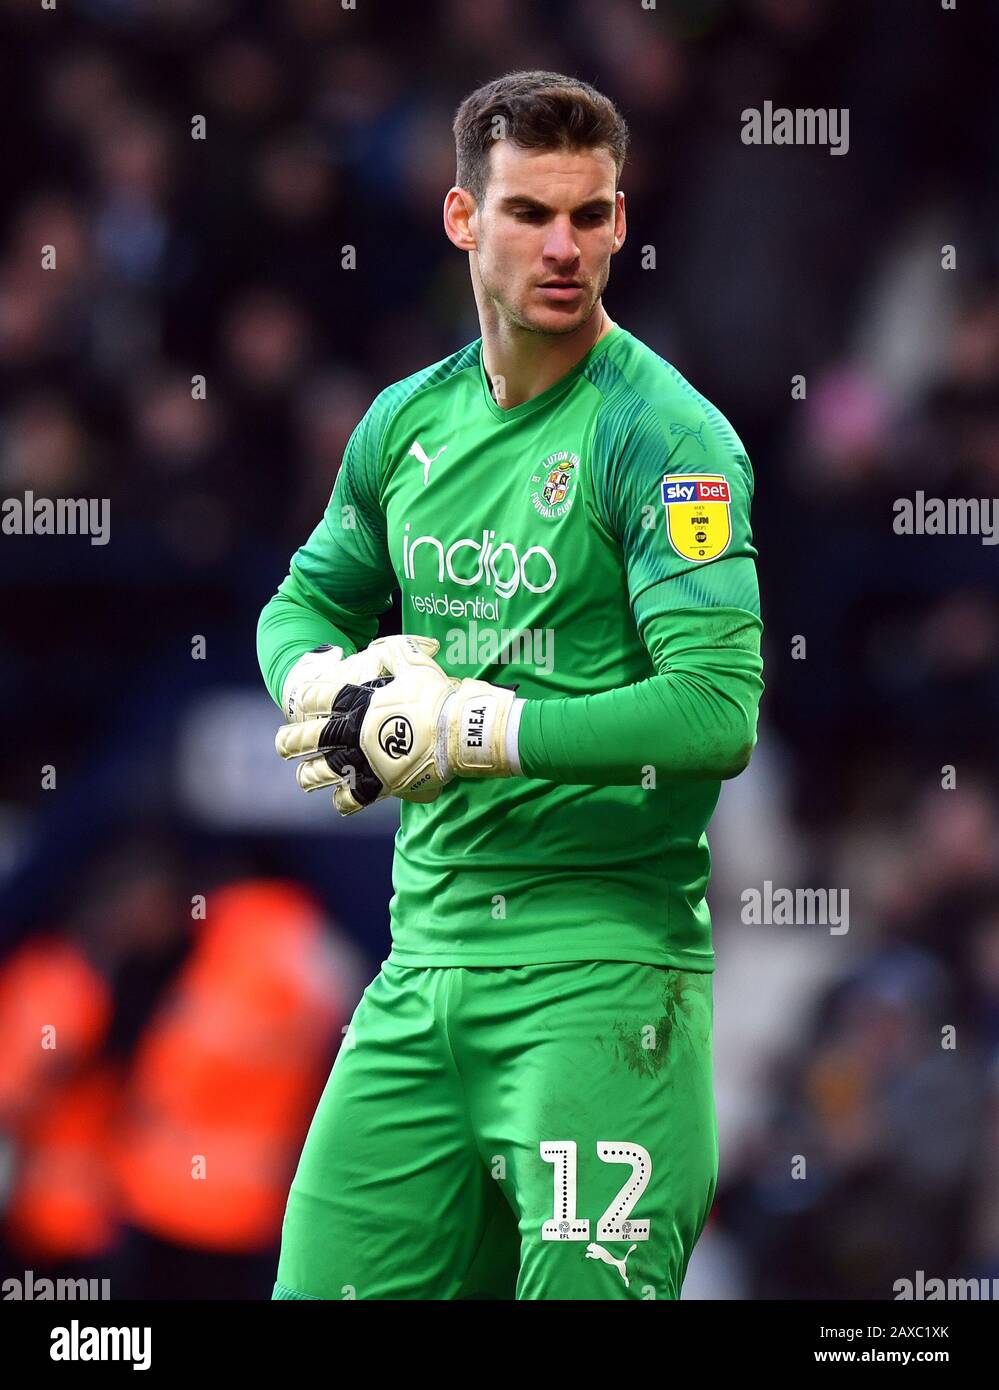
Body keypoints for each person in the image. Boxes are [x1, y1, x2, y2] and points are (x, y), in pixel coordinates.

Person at [256, 69, 764, 1300]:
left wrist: (475, 728)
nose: (564, 245)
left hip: (600, 978)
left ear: (622, 224)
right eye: (531, 212)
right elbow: (303, 599)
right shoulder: (402, 425)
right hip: (422, 965)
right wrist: (325, 682)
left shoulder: (667, 437)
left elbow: (715, 710)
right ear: (461, 220)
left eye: (590, 216)